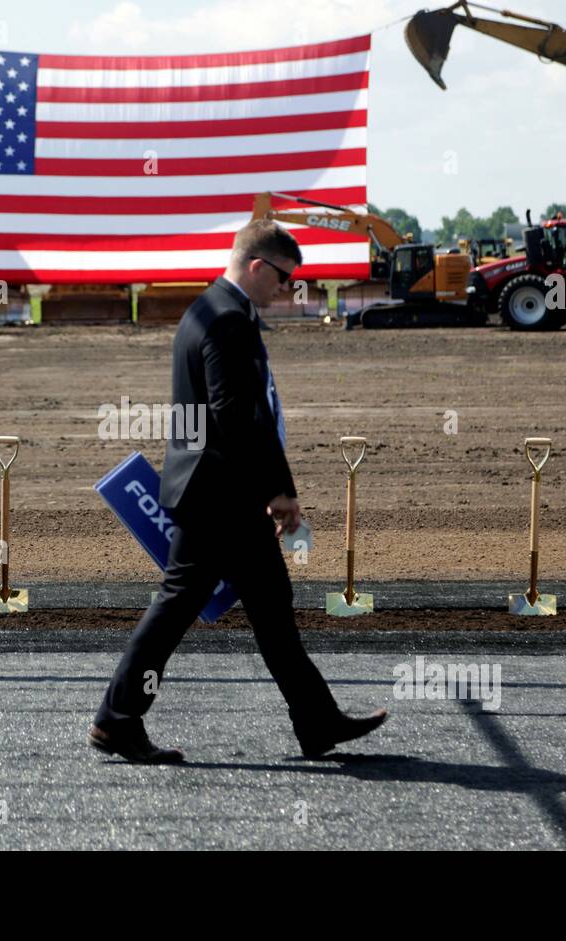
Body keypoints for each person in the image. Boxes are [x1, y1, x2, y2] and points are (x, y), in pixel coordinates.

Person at [88, 219, 389, 763]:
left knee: (265, 607)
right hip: (220, 495)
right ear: (257, 266)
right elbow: (238, 417)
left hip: (211, 488)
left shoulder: (211, 309)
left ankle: (316, 721)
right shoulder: (227, 319)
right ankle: (117, 718)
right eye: (282, 278)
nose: (285, 290)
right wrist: (278, 490)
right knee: (184, 606)